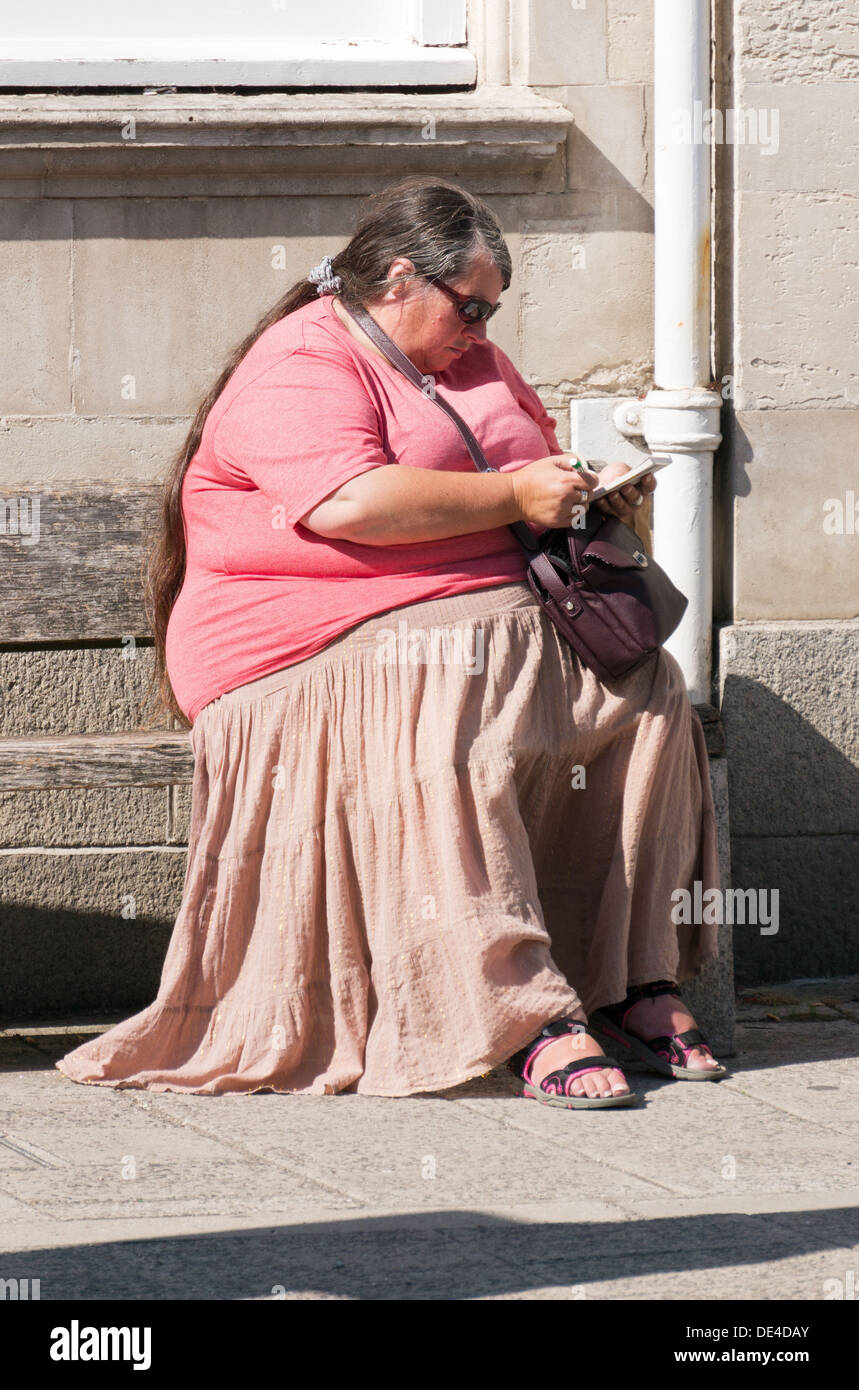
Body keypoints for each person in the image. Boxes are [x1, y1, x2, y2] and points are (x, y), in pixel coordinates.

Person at [56, 176, 725, 1110]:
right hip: (298, 647)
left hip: (479, 616)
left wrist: (586, 488)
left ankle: (627, 978)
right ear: (402, 278)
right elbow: (352, 502)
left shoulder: (471, 362)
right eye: (472, 306)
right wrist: (513, 499)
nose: (484, 329)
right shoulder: (301, 362)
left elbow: (530, 461)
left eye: (495, 310)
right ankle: (517, 1013)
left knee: (646, 688)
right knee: (452, 700)